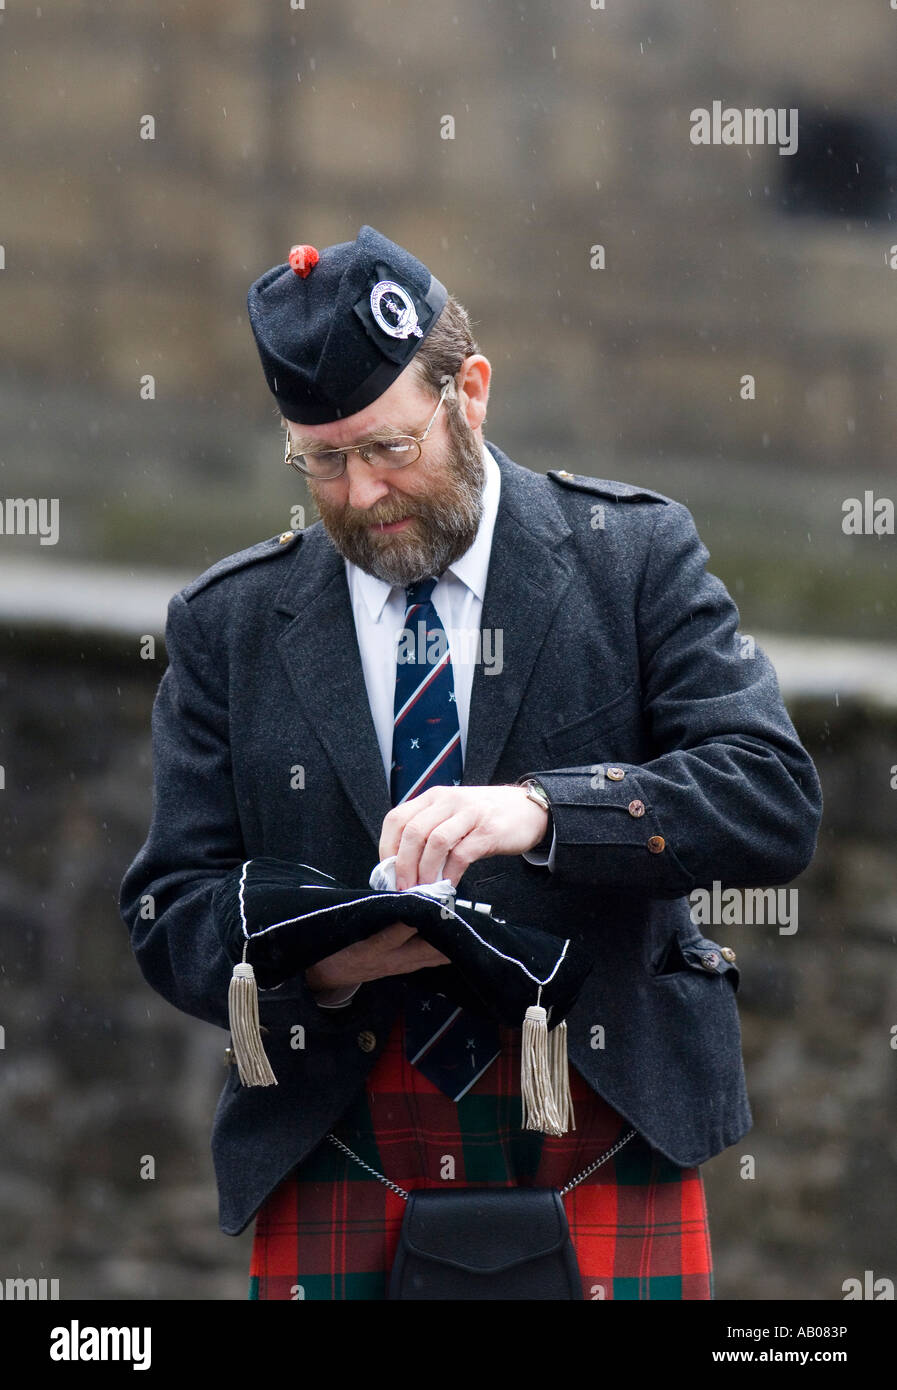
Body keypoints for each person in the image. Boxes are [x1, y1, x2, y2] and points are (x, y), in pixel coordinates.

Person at [119, 224, 823, 1301]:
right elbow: (171, 908)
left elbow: (770, 797)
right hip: (339, 1126)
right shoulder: (233, 622)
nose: (359, 494)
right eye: (322, 459)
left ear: (471, 392)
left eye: (389, 447)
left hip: (594, 1113)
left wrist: (545, 810)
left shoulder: (631, 558)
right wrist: (315, 964)